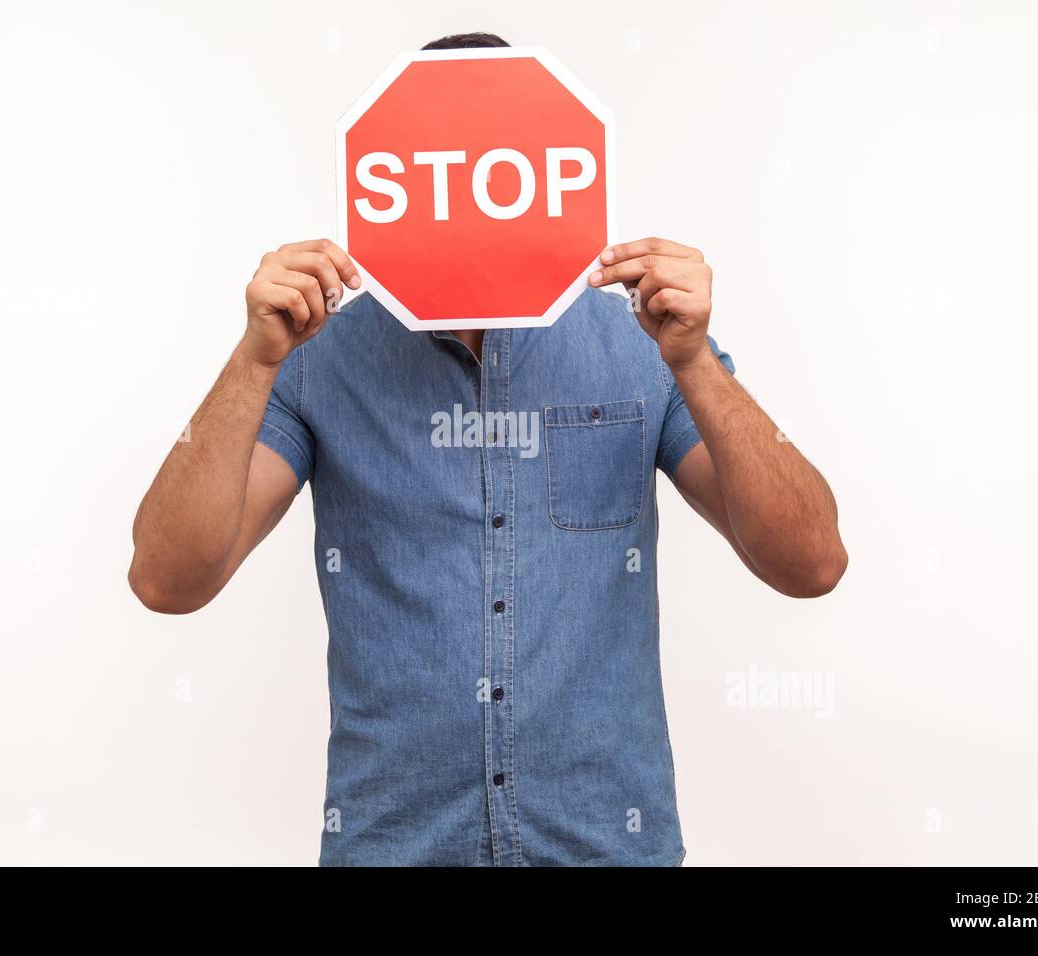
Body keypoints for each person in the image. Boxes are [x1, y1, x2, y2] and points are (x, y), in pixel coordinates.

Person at [128, 32, 847, 866]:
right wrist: (254, 359)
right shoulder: (316, 359)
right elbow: (165, 579)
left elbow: (813, 563)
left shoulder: (641, 347)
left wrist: (694, 362)